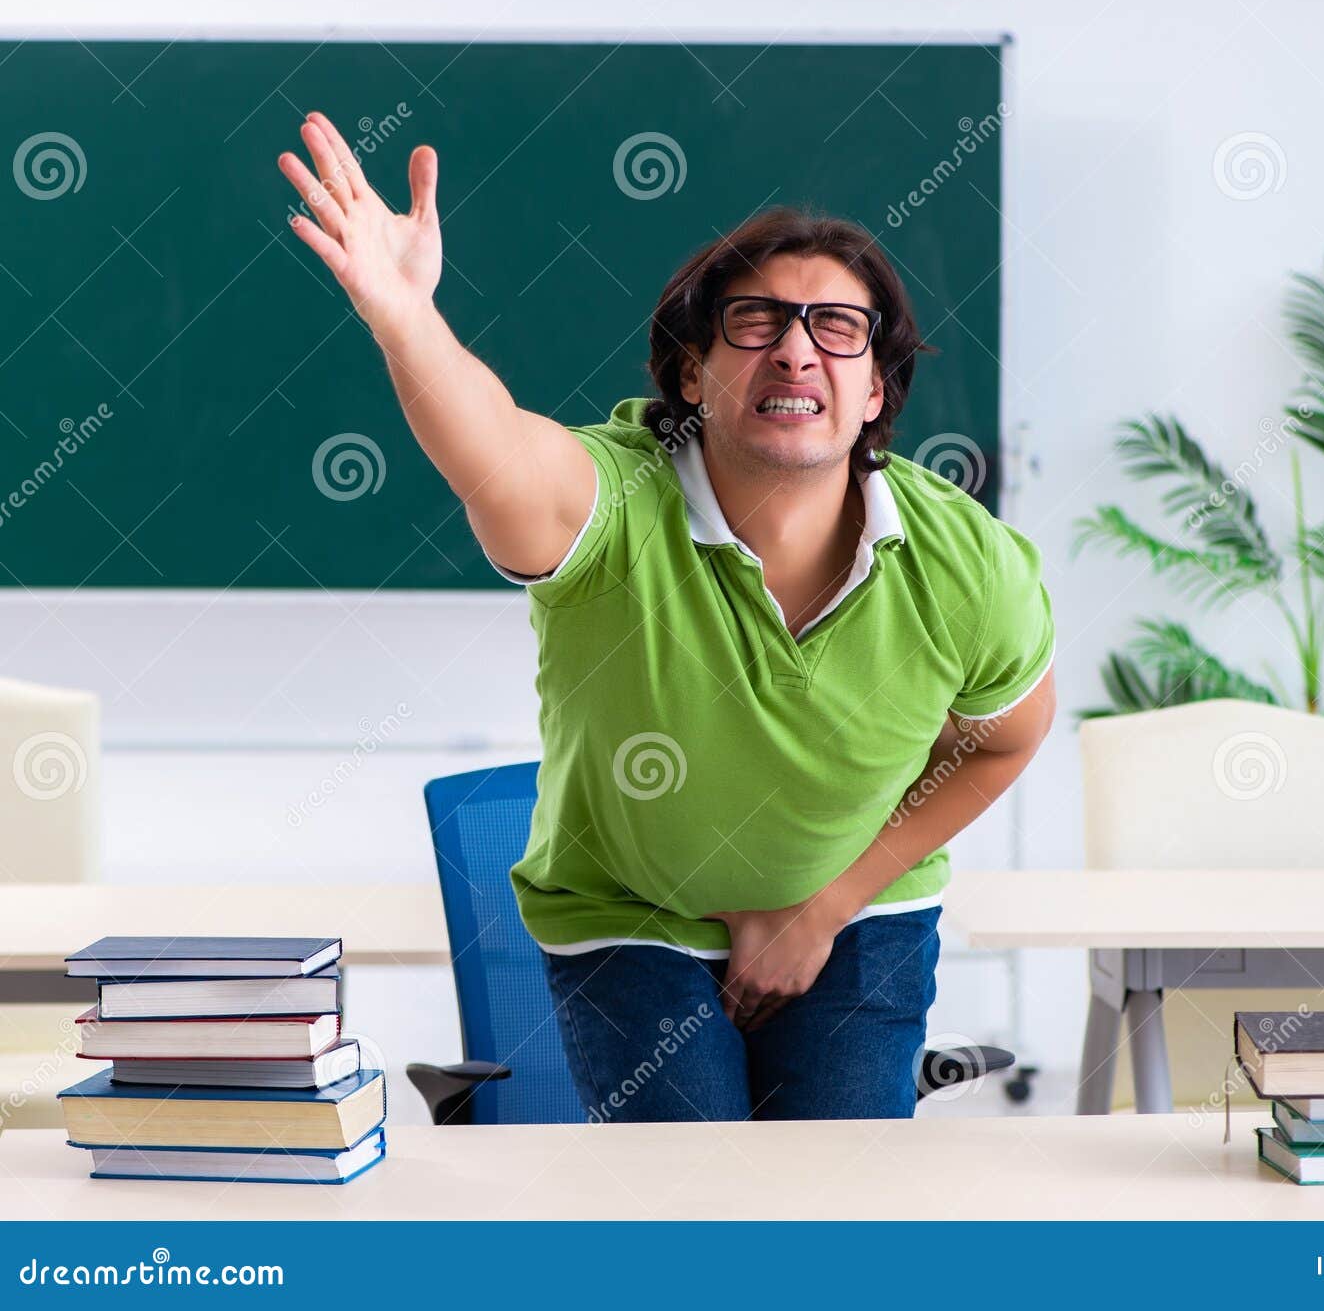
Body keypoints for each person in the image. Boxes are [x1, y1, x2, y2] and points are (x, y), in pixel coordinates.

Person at [277, 112, 1056, 1122]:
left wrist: (824, 907)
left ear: (875, 389)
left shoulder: (966, 561)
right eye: (755, 322)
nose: (795, 352)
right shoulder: (612, 504)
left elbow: (1003, 738)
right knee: (689, 1189)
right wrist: (405, 320)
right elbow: (497, 452)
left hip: (859, 914)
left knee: (841, 1191)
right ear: (692, 373)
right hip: (631, 920)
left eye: (836, 328)